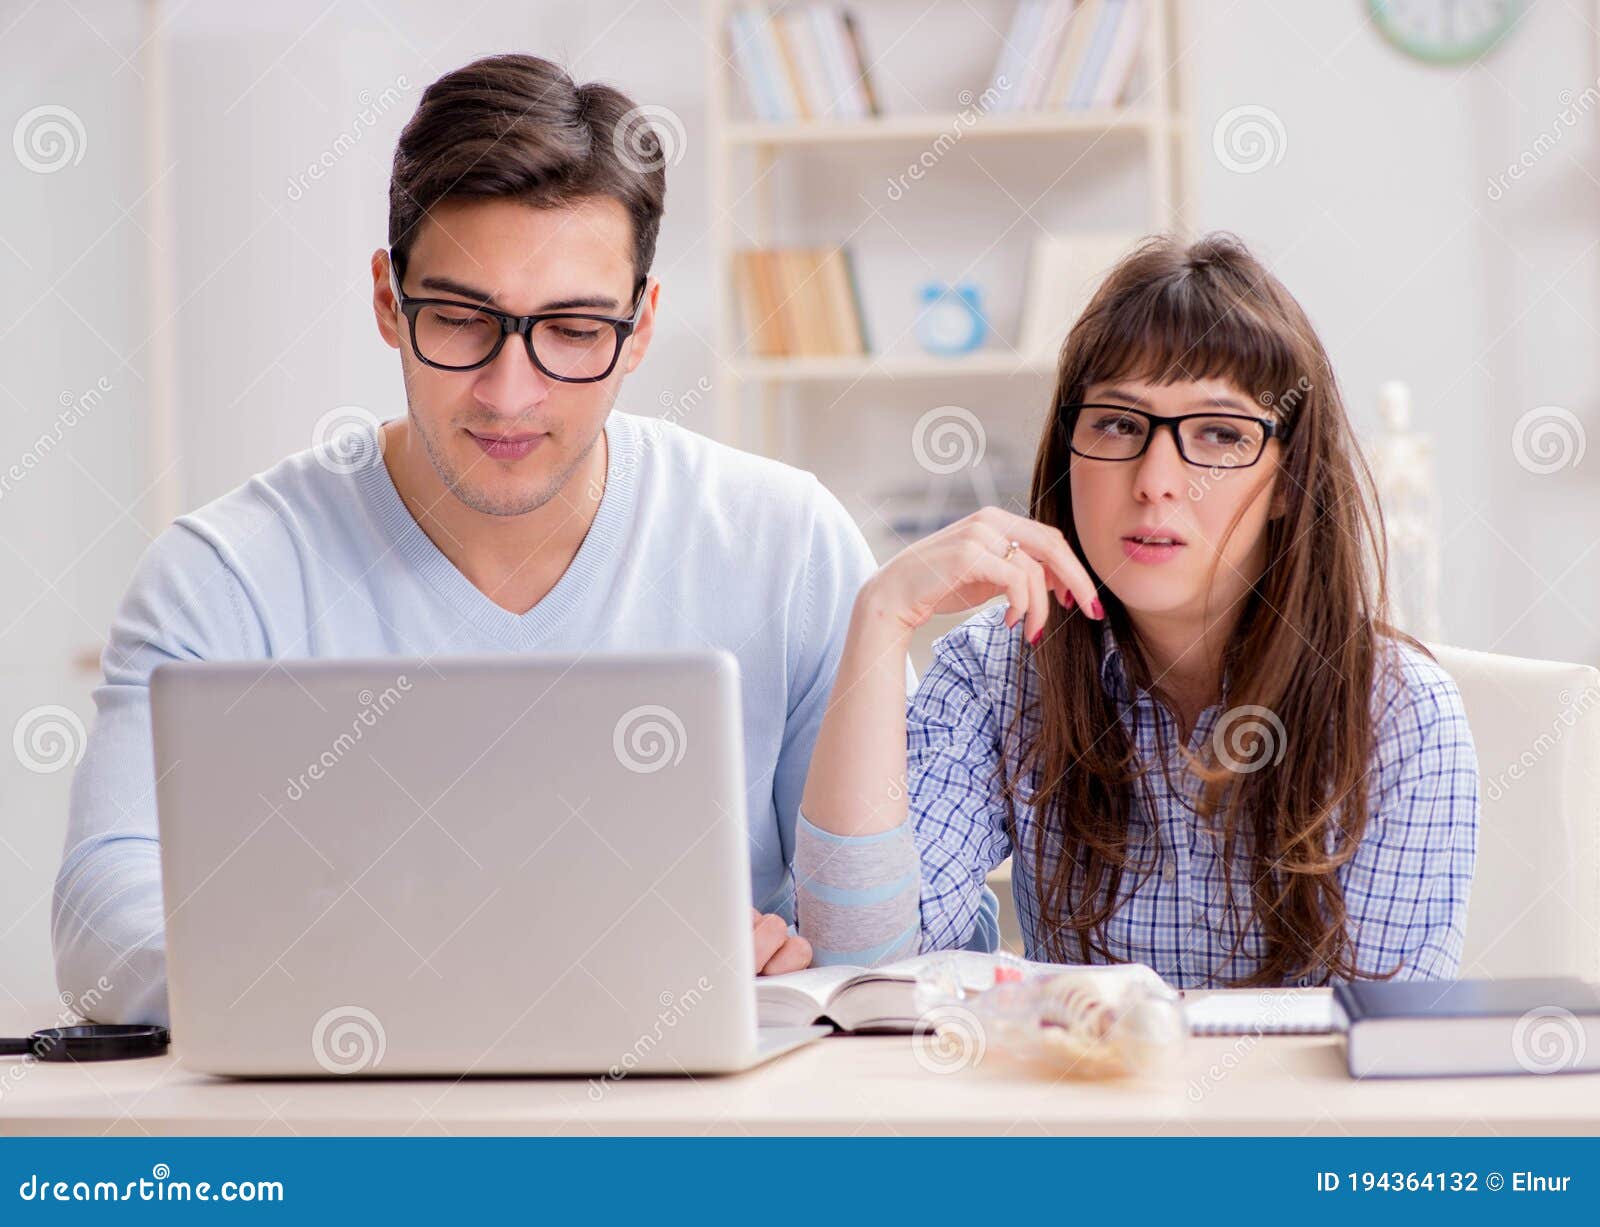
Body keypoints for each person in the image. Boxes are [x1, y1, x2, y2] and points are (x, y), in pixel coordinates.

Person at [53, 53, 994, 1025]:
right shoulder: (223, 577)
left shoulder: (786, 544)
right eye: (461, 320)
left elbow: (878, 959)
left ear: (638, 330)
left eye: (574, 331)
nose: (511, 393)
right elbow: (102, 920)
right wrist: (471, 980)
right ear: (388, 301)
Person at [796, 233, 1479, 986]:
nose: (1158, 480)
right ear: (1068, 450)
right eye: (1119, 423)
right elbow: (864, 966)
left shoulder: (1400, 713)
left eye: (1218, 433)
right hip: (1074, 1101)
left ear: (1289, 480)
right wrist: (882, 617)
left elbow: (1374, 1058)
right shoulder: (997, 669)